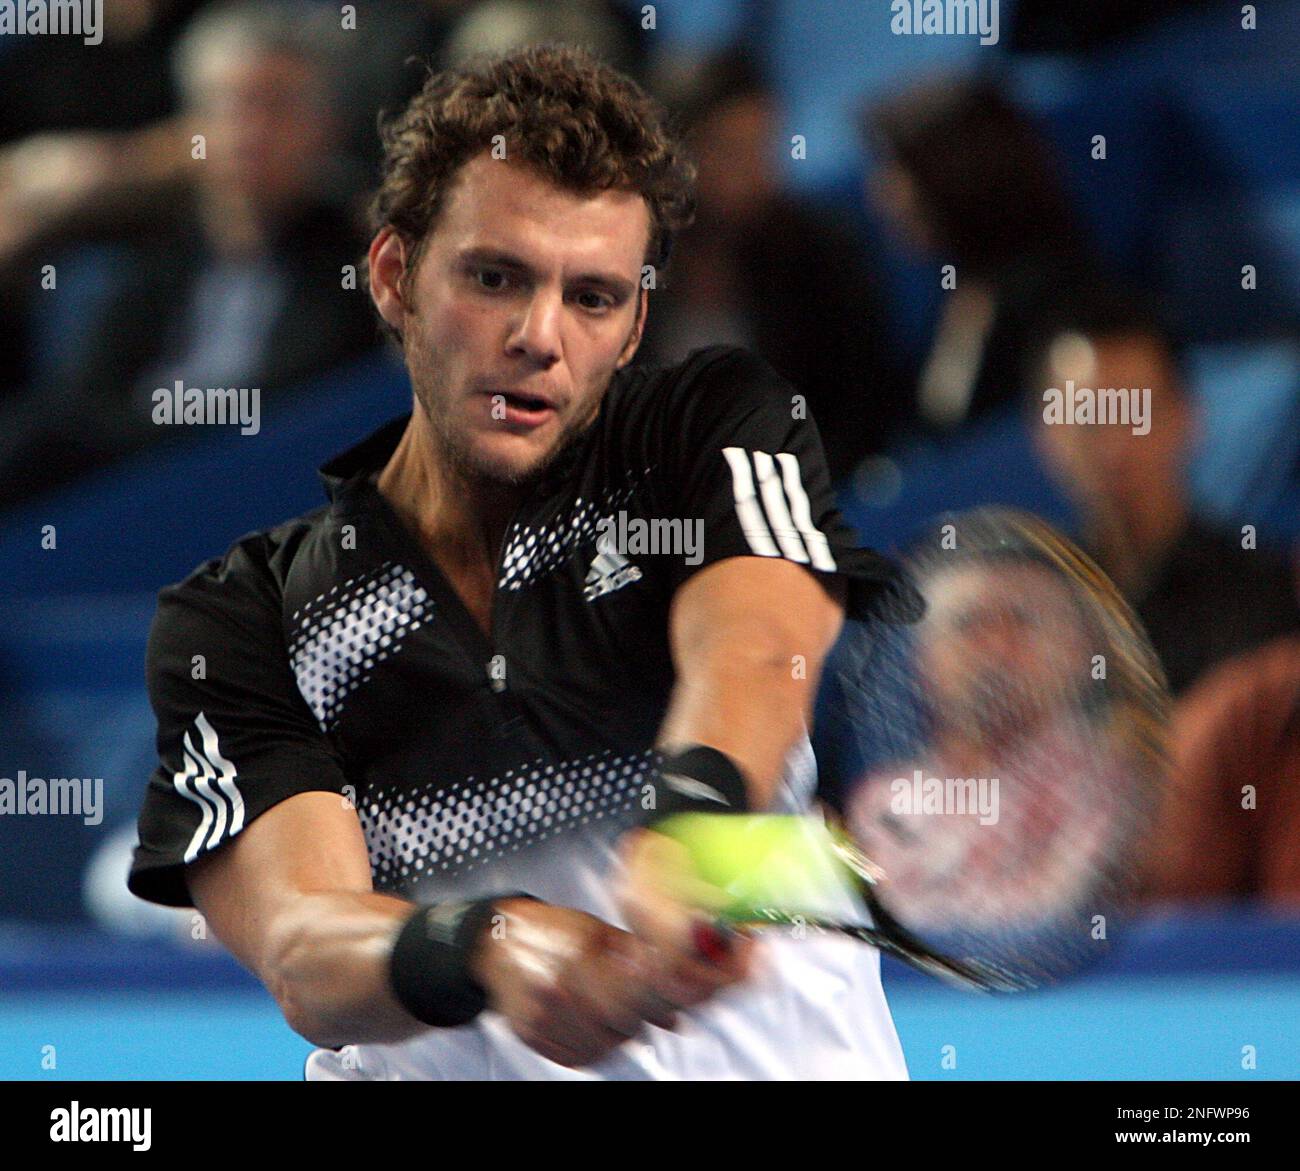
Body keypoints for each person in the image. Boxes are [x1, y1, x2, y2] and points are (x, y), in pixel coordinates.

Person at [127, 44, 916, 1080]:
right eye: (495, 277)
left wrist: (692, 829)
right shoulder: (247, 616)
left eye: (591, 297)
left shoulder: (705, 433)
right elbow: (303, 948)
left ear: (634, 324)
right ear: (394, 275)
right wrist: (482, 943)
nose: (539, 336)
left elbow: (758, 652)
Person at [1026, 289, 1300, 695]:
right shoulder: (1024, 602)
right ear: (1046, 436)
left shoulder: (1268, 596)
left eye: (1137, 414)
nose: (1115, 447)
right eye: (1088, 419)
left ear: (1187, 416)